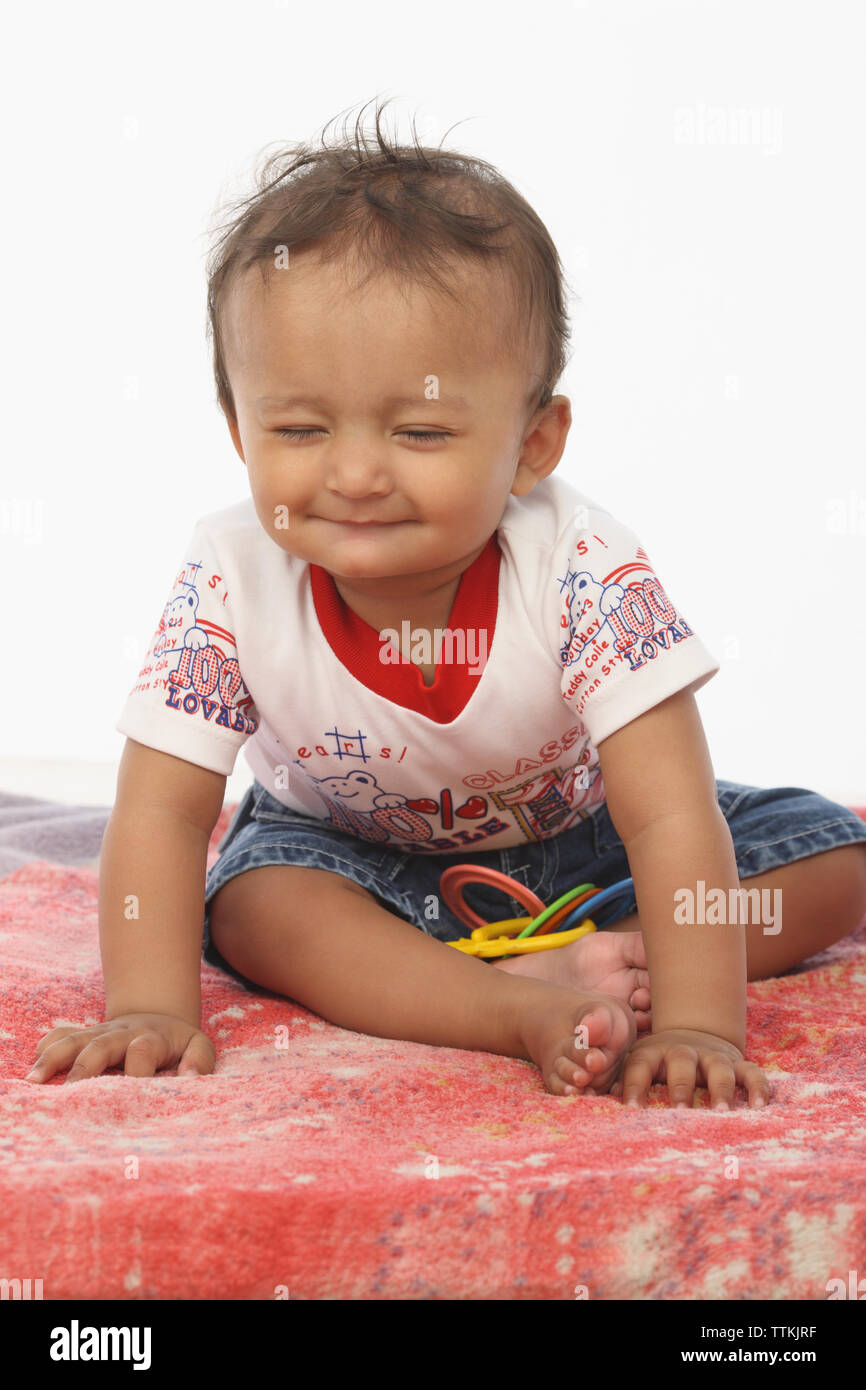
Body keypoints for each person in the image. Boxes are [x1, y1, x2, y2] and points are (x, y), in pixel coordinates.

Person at [27, 100, 866, 1108]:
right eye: (297, 428)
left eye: (419, 433)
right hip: (350, 860)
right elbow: (163, 812)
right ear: (239, 431)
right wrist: (150, 1006)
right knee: (254, 907)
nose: (354, 473)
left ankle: (614, 956)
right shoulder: (229, 576)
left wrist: (694, 1022)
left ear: (532, 445)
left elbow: (670, 812)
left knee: (838, 862)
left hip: (588, 843)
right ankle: (512, 1002)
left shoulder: (578, 565)